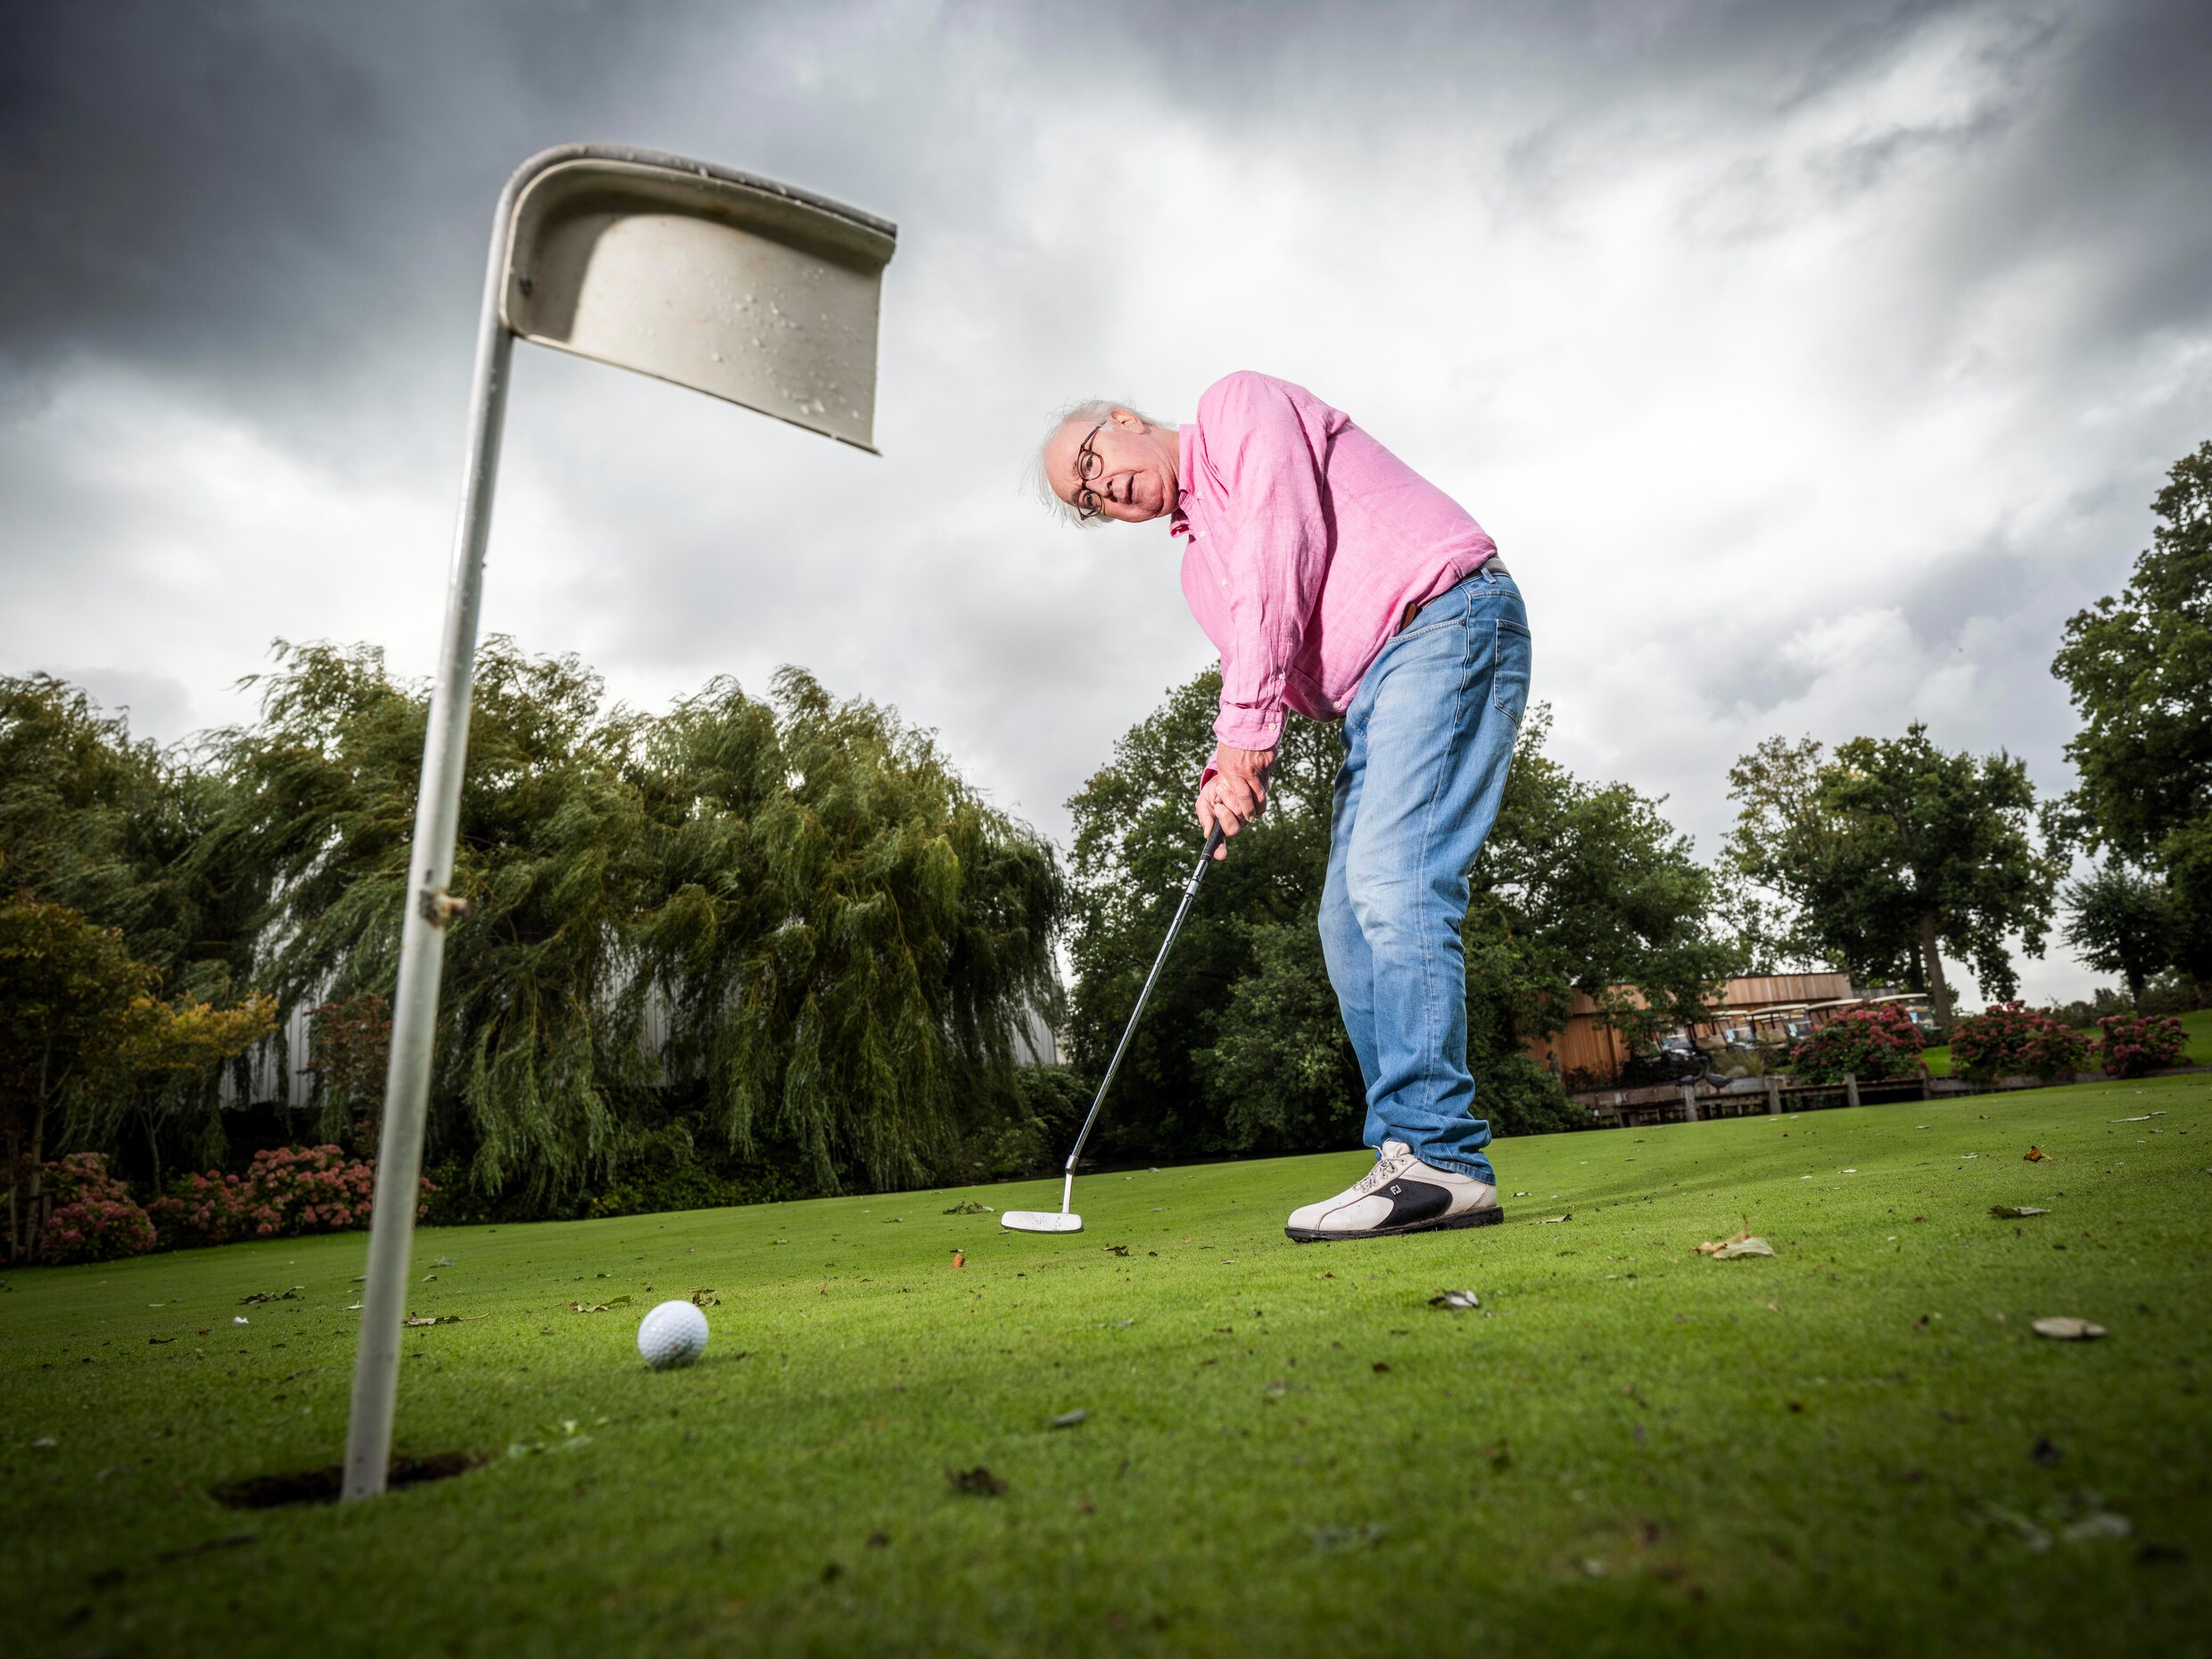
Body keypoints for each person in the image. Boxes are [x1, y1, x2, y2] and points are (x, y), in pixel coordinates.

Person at [1033, 371, 1531, 1242]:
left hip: (1443, 623)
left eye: (1090, 461)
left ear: (1121, 420)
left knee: (1391, 884)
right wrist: (1225, 776)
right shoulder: (1195, 573)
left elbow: (1279, 542)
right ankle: (1409, 1159)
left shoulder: (1236, 408)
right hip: (1371, 699)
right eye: (1084, 501)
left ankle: (1440, 1156)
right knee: (1345, 928)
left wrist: (1243, 733)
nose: (1100, 489)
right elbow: (1275, 676)